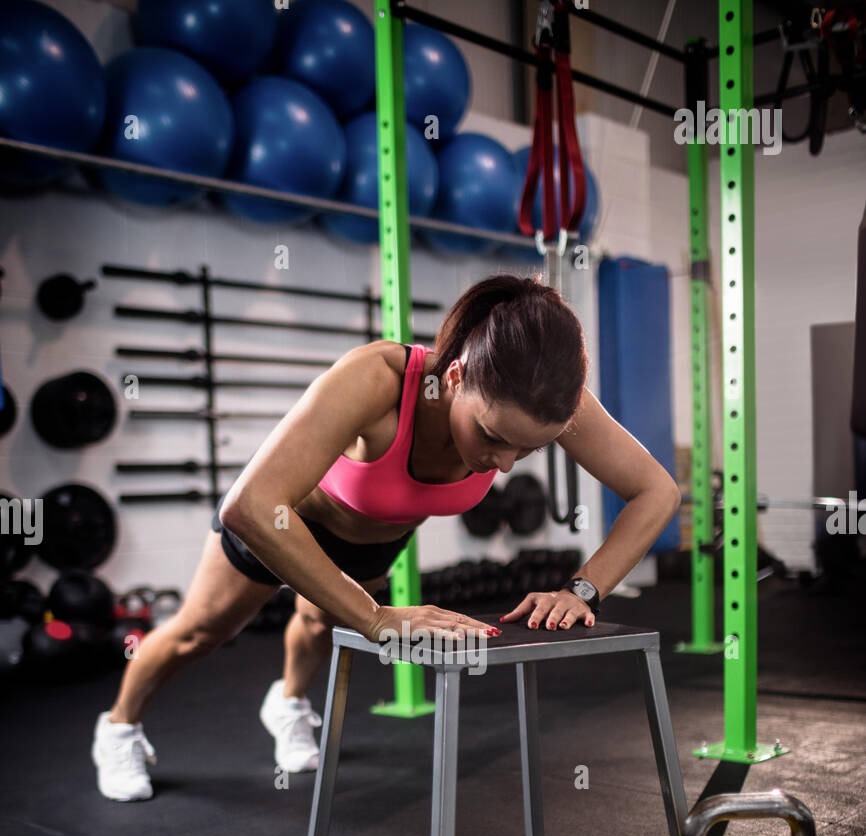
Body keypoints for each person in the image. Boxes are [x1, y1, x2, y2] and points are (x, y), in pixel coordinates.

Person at [92, 273, 680, 801]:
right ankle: (118, 726)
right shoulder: (376, 379)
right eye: (493, 436)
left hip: (373, 540)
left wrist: (584, 589)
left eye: (529, 449)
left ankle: (289, 703)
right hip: (283, 524)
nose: (504, 465)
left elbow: (657, 492)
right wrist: (374, 616)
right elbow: (249, 505)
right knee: (202, 633)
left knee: (321, 621)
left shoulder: (550, 403)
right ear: (455, 377)